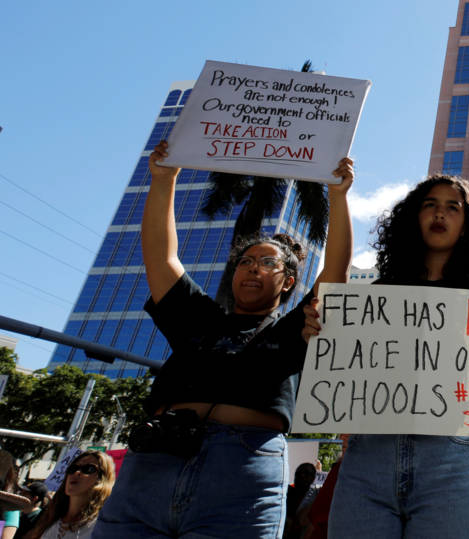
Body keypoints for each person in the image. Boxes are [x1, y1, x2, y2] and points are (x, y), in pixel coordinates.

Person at [95, 140, 355, 539]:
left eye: (267, 263)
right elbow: (162, 257)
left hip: (241, 471)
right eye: (245, 262)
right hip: (155, 464)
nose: (252, 269)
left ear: (288, 282)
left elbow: (335, 271)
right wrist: (164, 179)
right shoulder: (198, 316)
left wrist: (338, 196)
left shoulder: (295, 328)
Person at [319, 174, 469, 537]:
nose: (440, 214)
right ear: (415, 216)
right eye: (430, 205)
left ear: (466, 225)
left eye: (452, 207)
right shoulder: (379, 293)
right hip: (371, 458)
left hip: (453, 457)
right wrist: (319, 330)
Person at [27, 452, 115, 539]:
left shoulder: (104, 524)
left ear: (102, 478)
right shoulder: (51, 516)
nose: (77, 472)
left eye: (88, 469)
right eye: (73, 468)